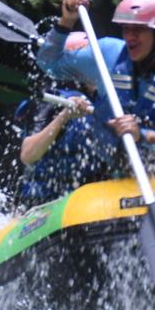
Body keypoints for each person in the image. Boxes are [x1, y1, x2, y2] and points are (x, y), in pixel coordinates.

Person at [36, 0, 155, 175]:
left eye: (138, 29)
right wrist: (66, 22)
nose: (130, 36)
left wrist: (141, 135)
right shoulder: (108, 54)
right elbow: (48, 64)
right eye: (126, 28)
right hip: (120, 174)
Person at [15, 32, 100, 205]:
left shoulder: (105, 100)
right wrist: (64, 116)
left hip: (89, 198)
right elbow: (28, 154)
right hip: (44, 202)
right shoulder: (50, 100)